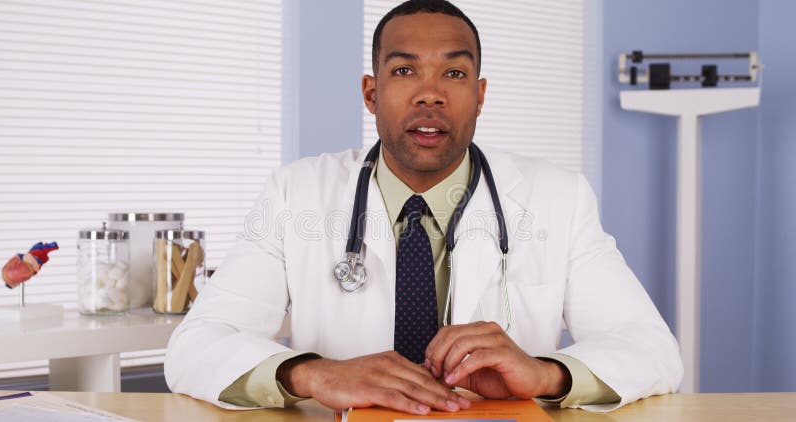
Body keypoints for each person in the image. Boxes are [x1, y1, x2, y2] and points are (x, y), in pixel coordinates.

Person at [165, 0, 682, 414]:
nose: (430, 95)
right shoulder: (294, 194)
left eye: (454, 75)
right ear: (371, 93)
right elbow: (195, 347)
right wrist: (312, 373)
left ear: (480, 95)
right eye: (405, 71)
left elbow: (652, 348)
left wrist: (546, 373)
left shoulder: (559, 199)